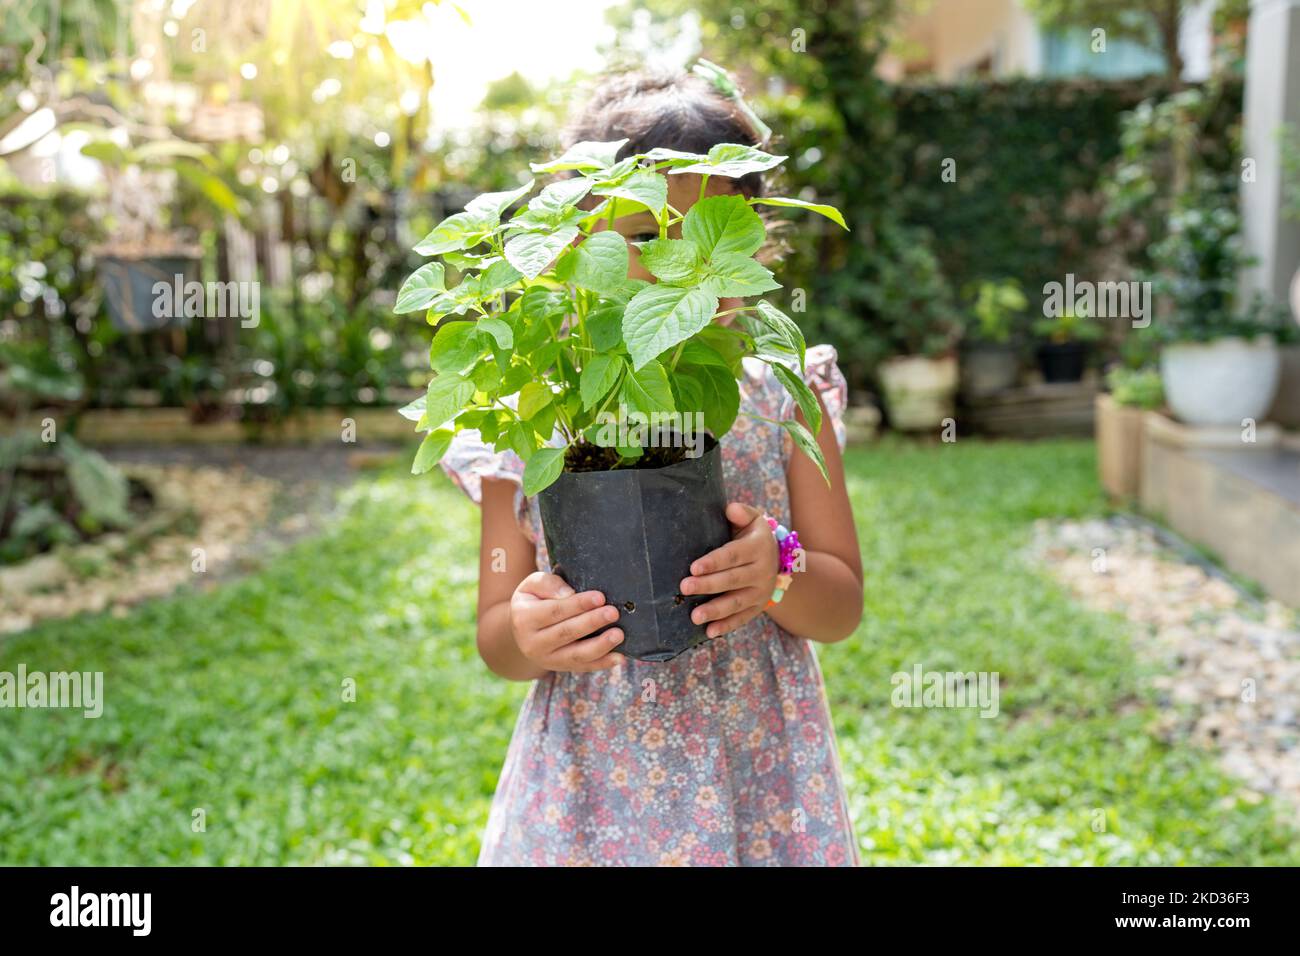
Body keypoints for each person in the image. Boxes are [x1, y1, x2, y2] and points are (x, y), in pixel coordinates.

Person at [441, 67, 864, 866]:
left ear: (753, 243)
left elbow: (839, 605)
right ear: (576, 243)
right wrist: (535, 631)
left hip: (755, 766)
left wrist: (777, 570)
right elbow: (498, 635)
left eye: (711, 239)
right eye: (642, 238)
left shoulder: (783, 392)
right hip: (593, 776)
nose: (677, 267)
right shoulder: (538, 411)